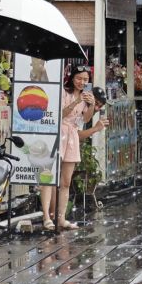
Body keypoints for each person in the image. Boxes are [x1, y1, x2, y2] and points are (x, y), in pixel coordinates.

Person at [44, 64, 95, 230]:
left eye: (85, 79)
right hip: (58, 133)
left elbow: (85, 119)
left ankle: (61, 217)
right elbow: (59, 114)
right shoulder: (63, 92)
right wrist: (77, 101)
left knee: (66, 181)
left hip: (72, 135)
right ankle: (46, 217)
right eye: (79, 78)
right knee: (49, 177)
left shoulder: (87, 95)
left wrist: (92, 105)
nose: (82, 82)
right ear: (72, 78)